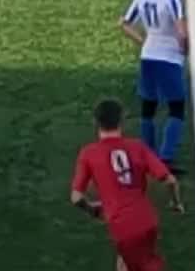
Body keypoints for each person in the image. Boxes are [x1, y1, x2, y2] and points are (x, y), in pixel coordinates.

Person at [70, 99, 183, 271]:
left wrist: (92, 209)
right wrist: (176, 202)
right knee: (129, 262)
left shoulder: (88, 153)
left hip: (122, 226)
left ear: (96, 122)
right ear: (121, 121)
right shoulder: (137, 147)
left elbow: (76, 198)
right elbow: (170, 180)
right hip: (147, 219)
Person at [121, 0, 187, 171]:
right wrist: (184, 48)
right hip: (169, 57)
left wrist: (143, 40)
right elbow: (181, 31)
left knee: (148, 108)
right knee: (176, 107)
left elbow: (124, 23)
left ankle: (148, 155)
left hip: (148, 55)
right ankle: (166, 157)